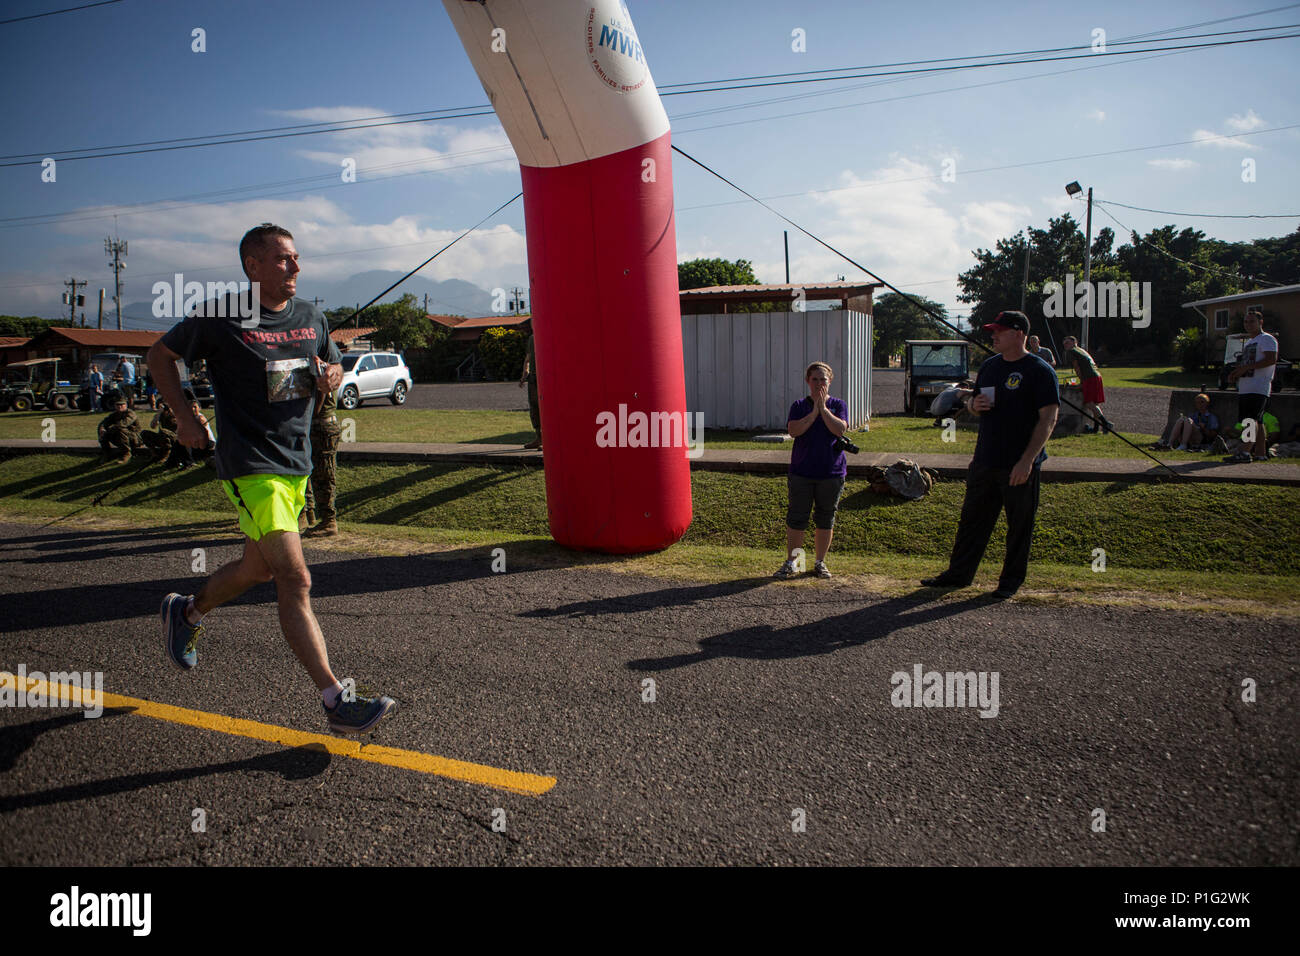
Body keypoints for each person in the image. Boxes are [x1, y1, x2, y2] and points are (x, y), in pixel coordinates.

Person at [147, 222, 396, 735]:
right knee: (295, 577)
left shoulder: (310, 314)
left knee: (256, 570)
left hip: (296, 463)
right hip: (250, 465)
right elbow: (159, 357)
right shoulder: (218, 316)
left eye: (297, 258)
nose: (295, 268)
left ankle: (187, 612)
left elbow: (332, 364)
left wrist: (333, 374)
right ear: (252, 266)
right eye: (283, 259)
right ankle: (335, 700)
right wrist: (186, 418)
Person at [922, 310, 1059, 599]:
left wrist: (1027, 461)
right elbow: (976, 404)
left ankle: (1009, 583)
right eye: (992, 331)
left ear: (1019, 333)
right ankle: (958, 575)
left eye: (999, 331)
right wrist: (973, 404)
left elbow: (1048, 419)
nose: (993, 335)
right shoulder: (990, 367)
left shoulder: (1040, 371)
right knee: (972, 521)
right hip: (985, 459)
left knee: (1018, 526)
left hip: (1019, 464)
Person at [774, 361, 849, 580]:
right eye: (814, 379)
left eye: (822, 379)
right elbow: (794, 430)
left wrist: (823, 409)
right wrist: (813, 413)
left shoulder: (838, 404)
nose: (818, 383)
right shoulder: (799, 405)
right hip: (802, 472)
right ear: (808, 381)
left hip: (831, 473)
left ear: (830, 381)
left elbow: (840, 429)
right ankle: (793, 561)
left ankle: (819, 562)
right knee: (797, 517)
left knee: (826, 518)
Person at [1225, 310, 1278, 463]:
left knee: (1250, 420)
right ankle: (1260, 453)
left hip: (1258, 386)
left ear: (1260, 322)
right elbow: (1246, 364)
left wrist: (1246, 368)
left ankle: (1244, 451)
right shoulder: (1249, 342)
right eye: (1246, 322)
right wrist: (1236, 373)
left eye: (1252, 321)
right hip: (1246, 385)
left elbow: (1270, 359)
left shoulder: (1267, 339)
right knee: (1258, 421)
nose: (1248, 325)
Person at [302, 379, 340, 536]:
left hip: (321, 424)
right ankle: (307, 513)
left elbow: (320, 396)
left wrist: (310, 415)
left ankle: (328, 521)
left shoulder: (323, 367)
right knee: (305, 471)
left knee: (323, 475)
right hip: (315, 424)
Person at [1061, 335, 1110, 433]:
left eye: (1067, 343)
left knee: (1088, 403)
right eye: (1064, 344)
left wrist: (1082, 382)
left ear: (1075, 342)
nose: (1065, 345)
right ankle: (1096, 429)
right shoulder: (1082, 350)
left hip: (1089, 377)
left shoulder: (1071, 352)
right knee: (1095, 403)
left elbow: (1077, 367)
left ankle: (1105, 423)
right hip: (1097, 376)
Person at [96, 391, 143, 463]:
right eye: (118, 405)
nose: (120, 406)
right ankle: (107, 454)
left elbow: (123, 424)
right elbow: (104, 422)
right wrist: (102, 429)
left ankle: (127, 454)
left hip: (135, 438)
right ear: (114, 405)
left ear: (126, 405)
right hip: (122, 438)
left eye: (122, 404)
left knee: (120, 429)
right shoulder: (114, 414)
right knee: (102, 430)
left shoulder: (131, 413)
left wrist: (108, 430)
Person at [519, 320, 541, 450]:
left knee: (545, 408)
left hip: (544, 378)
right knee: (534, 408)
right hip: (533, 378)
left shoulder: (547, 336)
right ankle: (539, 437)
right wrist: (524, 375)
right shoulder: (532, 339)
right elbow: (527, 359)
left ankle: (549, 440)